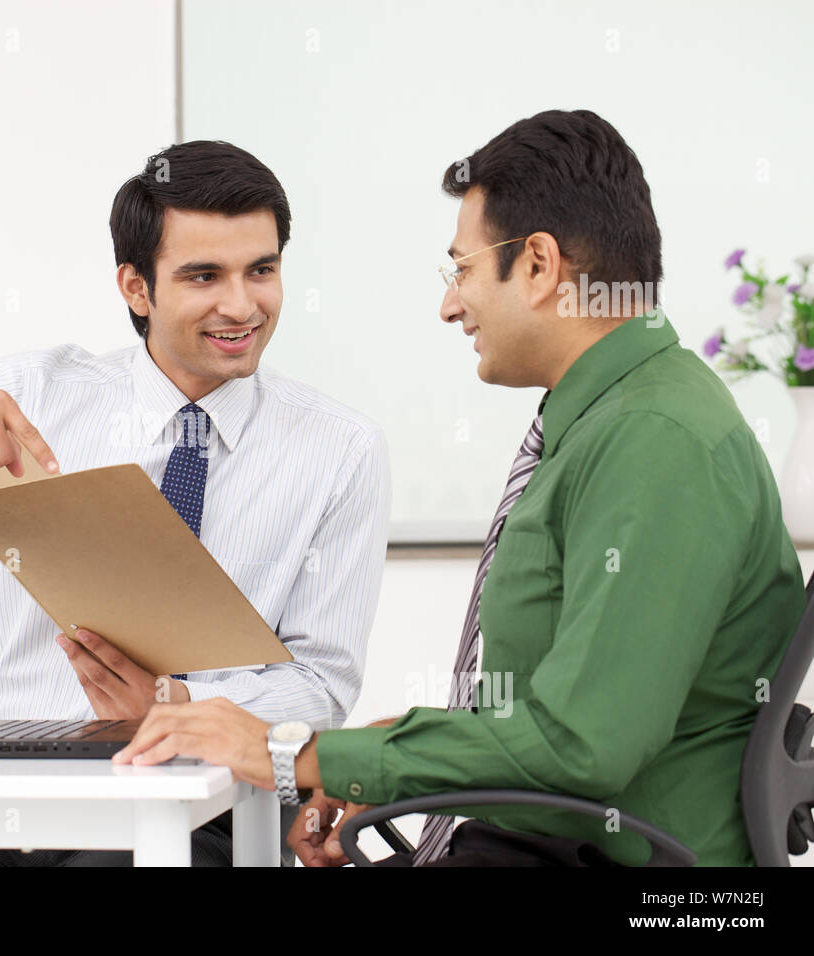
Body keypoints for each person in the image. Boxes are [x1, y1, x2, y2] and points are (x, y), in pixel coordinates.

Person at [114, 110, 808, 867]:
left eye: (463, 269)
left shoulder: (658, 439)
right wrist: (377, 762)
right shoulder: (613, 421)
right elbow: (548, 720)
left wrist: (298, 753)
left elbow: (582, 747)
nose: (450, 304)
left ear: (538, 266)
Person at [0, 139, 390, 865]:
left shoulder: (341, 448)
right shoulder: (33, 400)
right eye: (203, 275)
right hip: (20, 784)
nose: (241, 304)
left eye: (262, 270)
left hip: (203, 803)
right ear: (136, 288)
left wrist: (183, 712)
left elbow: (323, 687)